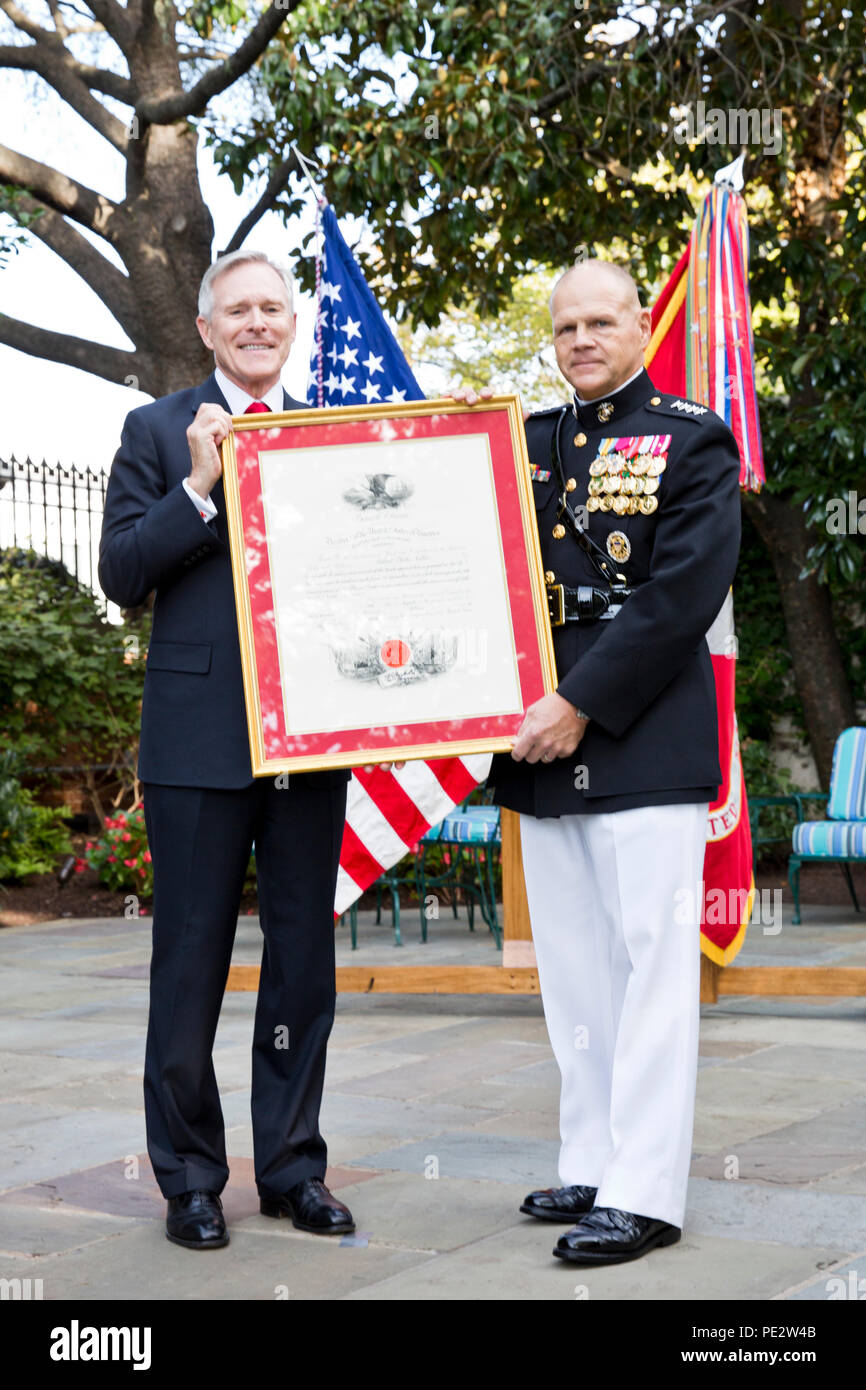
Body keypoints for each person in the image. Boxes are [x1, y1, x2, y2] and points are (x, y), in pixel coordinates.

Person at [487, 259, 742, 1265]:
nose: (581, 340)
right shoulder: (523, 444)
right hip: (539, 745)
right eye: (565, 328)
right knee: (574, 975)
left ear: (639, 324)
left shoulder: (691, 437)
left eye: (600, 322)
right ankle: (590, 1161)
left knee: (650, 971)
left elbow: (680, 593)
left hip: (637, 734)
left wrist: (579, 703)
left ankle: (645, 1194)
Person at [99, 251, 355, 1250]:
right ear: (206, 329)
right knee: (189, 961)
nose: (256, 322)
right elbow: (123, 570)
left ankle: (293, 1169)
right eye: (236, 310)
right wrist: (199, 490)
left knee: (301, 967)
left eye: (271, 308)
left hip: (313, 736)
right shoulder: (156, 430)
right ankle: (191, 1182)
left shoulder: (332, 433)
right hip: (197, 740)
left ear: (290, 324)